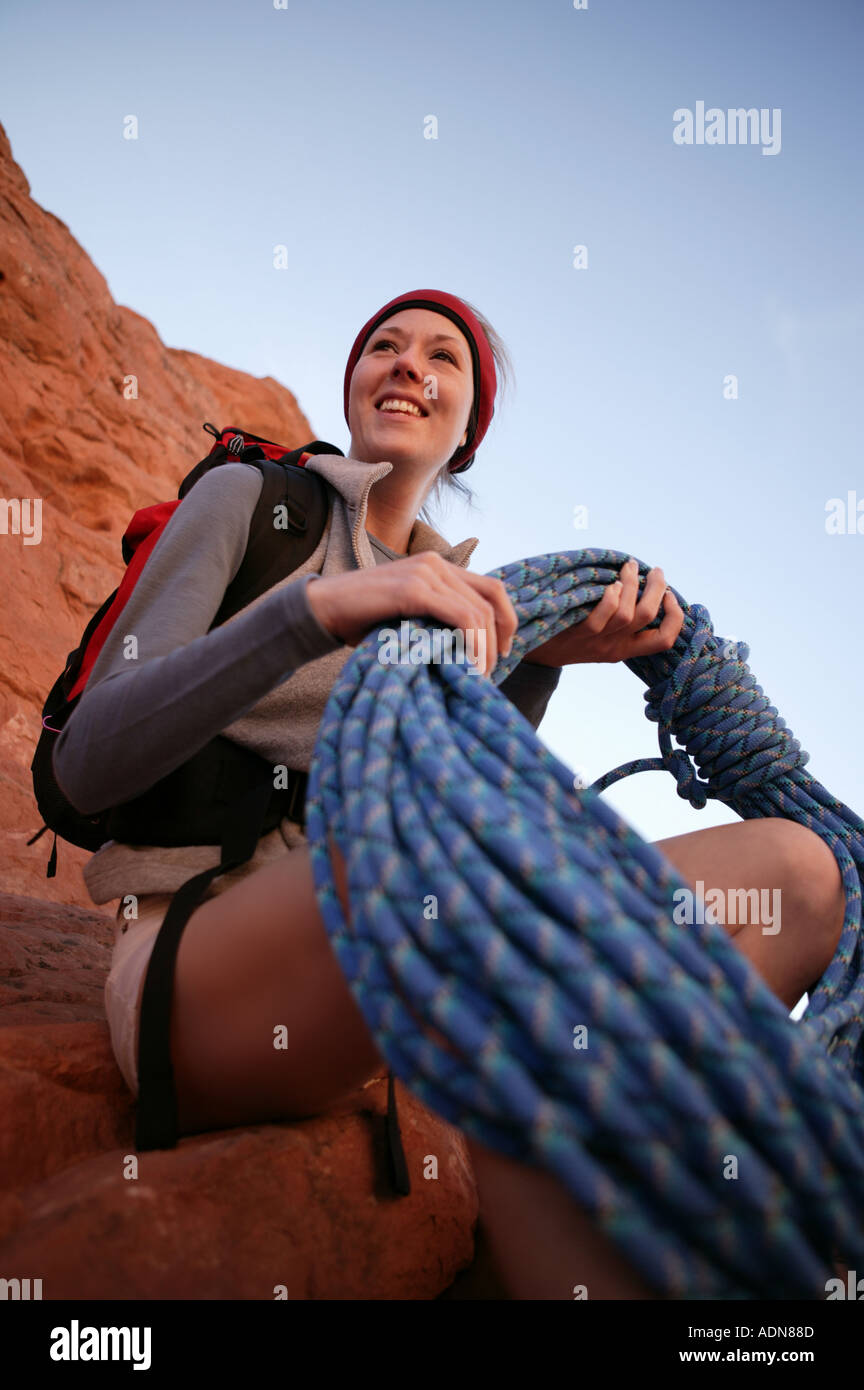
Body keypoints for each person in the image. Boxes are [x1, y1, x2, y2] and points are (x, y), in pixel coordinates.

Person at [53, 288, 845, 1300]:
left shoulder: (477, 608)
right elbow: (89, 757)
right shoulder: (252, 504)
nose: (405, 366)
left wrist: (548, 657)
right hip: (203, 968)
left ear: (468, 427)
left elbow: (469, 802)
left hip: (416, 971)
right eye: (382, 347)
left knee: (795, 875)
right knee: (479, 885)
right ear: (352, 385)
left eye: (441, 358)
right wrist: (315, 610)